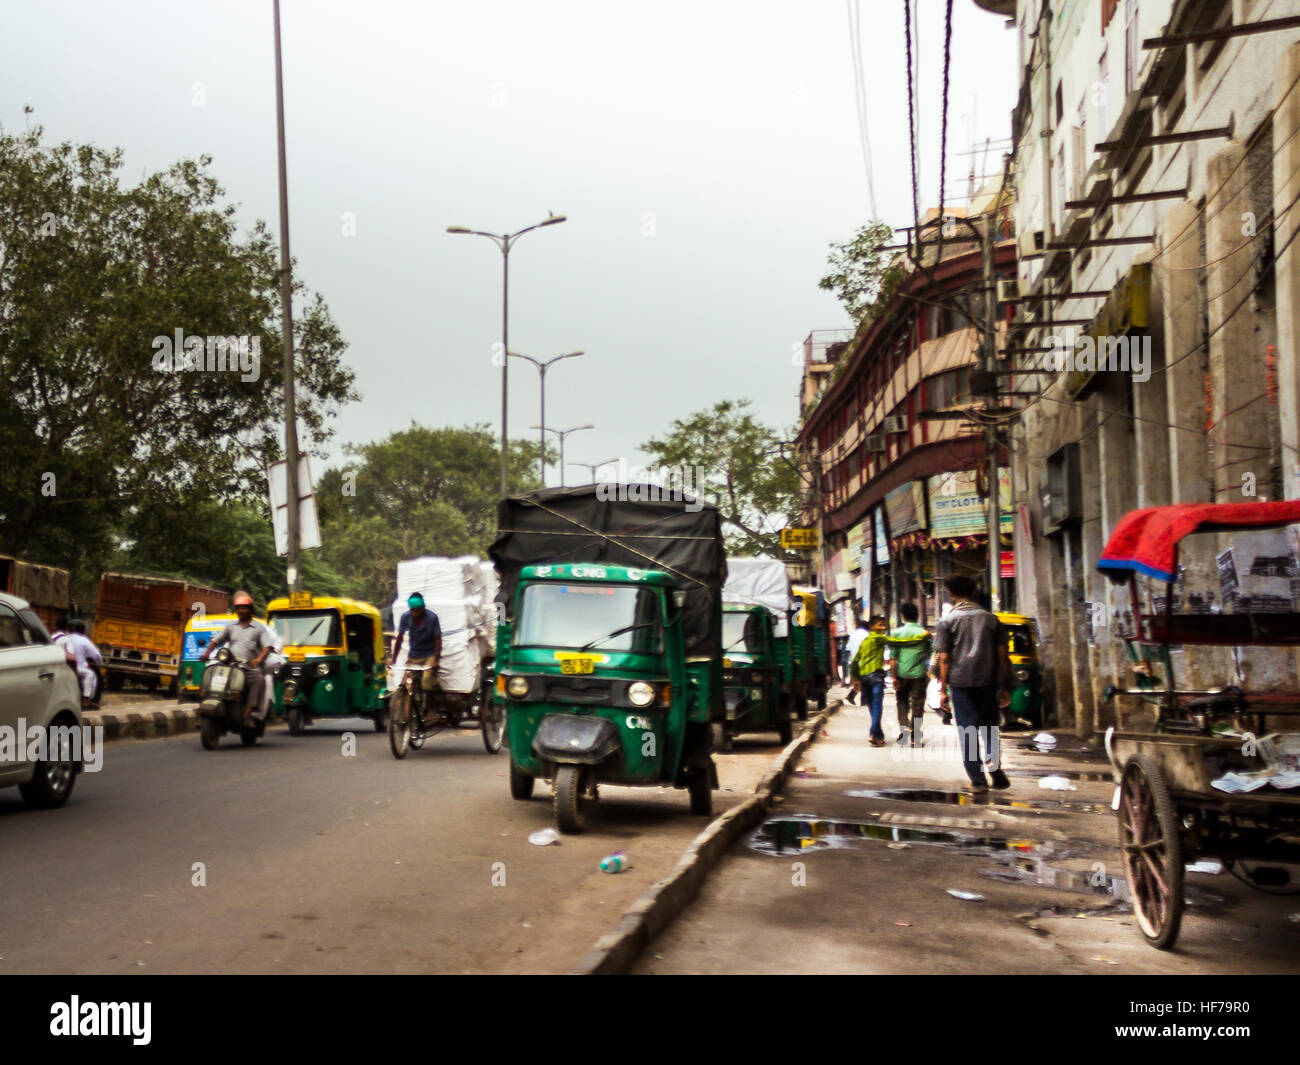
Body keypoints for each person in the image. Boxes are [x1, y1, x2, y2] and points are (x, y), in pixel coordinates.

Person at [933, 576, 1013, 792]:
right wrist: (1005, 684)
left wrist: (943, 689)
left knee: (967, 730)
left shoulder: (947, 622)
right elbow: (1003, 655)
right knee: (990, 728)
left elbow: (944, 658)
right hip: (989, 682)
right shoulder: (991, 619)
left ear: (951, 593)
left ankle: (978, 781)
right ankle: (994, 767)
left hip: (961, 683)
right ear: (974, 591)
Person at [202, 592, 273, 725]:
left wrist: (258, 660)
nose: (241, 611)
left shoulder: (258, 628)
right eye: (239, 608)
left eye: (244, 608)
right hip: (230, 665)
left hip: (248, 667)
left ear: (250, 610)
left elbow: (267, 647)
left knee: (258, 679)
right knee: (211, 673)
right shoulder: (231, 626)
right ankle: (204, 707)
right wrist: (206, 653)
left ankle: (249, 713)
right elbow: (216, 641)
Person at [890, 603, 932, 747]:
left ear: (903, 616)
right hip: (919, 675)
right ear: (917, 616)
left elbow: (893, 658)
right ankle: (915, 737)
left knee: (901, 702)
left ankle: (904, 727)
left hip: (901, 674)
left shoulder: (896, 634)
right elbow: (929, 653)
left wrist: (894, 677)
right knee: (917, 705)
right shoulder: (925, 634)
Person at [391, 593, 442, 697]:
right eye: (411, 609)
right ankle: (404, 708)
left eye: (416, 610)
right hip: (413, 655)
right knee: (404, 684)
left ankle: (429, 709)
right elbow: (400, 638)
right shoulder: (405, 617)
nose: (413, 612)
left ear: (423, 608)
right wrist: (394, 659)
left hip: (429, 655)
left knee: (426, 683)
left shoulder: (432, 618)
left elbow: (438, 639)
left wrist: (436, 660)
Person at [852, 615, 890, 746]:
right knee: (877, 705)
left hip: (864, 677)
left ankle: (878, 735)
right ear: (872, 626)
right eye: (881, 624)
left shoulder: (862, 640)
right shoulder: (878, 638)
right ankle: (873, 732)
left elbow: (854, 660)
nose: (883, 627)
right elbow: (899, 642)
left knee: (872, 705)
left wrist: (855, 678)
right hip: (876, 676)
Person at [64, 620, 103, 708]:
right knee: (90, 674)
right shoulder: (84, 640)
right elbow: (97, 656)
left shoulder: (63, 638)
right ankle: (87, 699)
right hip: (78, 668)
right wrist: (99, 662)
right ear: (82, 630)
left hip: (62, 668)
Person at [843, 615, 870, 704]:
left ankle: (851, 696)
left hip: (854, 662)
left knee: (859, 682)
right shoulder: (867, 635)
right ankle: (863, 700)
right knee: (864, 682)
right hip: (864, 662)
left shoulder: (853, 635)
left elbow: (848, 649)